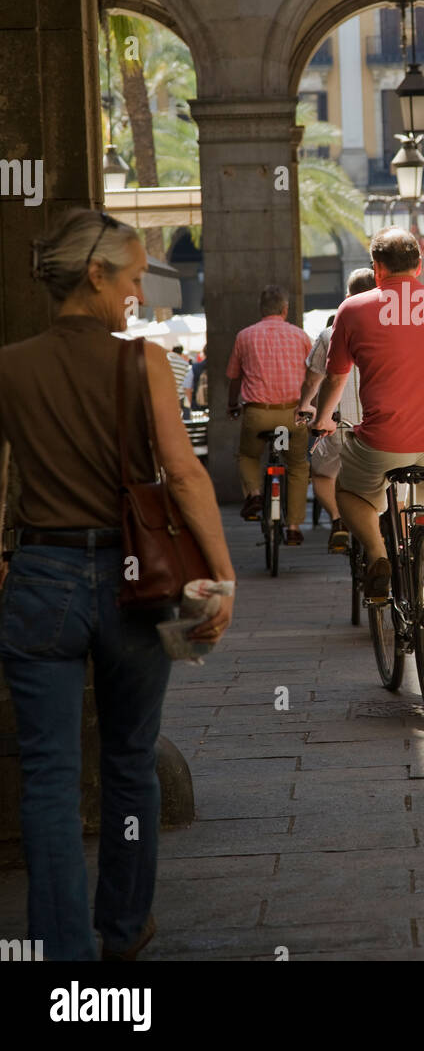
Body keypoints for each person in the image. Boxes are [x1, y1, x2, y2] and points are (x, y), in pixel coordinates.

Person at [0, 208, 236, 962]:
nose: (140, 292)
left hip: (41, 576)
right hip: (138, 581)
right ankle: (124, 927)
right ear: (96, 275)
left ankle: (60, 953)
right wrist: (221, 576)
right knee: (130, 762)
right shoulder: (142, 360)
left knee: (47, 777)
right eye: (134, 278)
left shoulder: (8, 365)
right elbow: (184, 471)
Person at [312, 229, 424, 668]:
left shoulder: (353, 309)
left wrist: (322, 418)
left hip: (381, 442)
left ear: (376, 268)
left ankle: (379, 555)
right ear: (420, 265)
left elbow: (335, 378)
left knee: (348, 492)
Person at [296, 268, 377, 553]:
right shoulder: (394, 332)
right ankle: (391, 535)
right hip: (382, 425)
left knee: (322, 474)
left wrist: (306, 407)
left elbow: (314, 378)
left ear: (347, 298)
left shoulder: (329, 334)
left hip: (339, 425)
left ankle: (338, 520)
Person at [226, 286, 311, 541]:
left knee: (248, 456)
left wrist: (232, 404)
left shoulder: (245, 336)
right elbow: (313, 377)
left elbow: (234, 377)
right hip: (293, 416)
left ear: (261, 310)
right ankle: (294, 528)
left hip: (258, 415)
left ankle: (254, 495)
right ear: (285, 310)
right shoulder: (301, 336)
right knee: (297, 466)